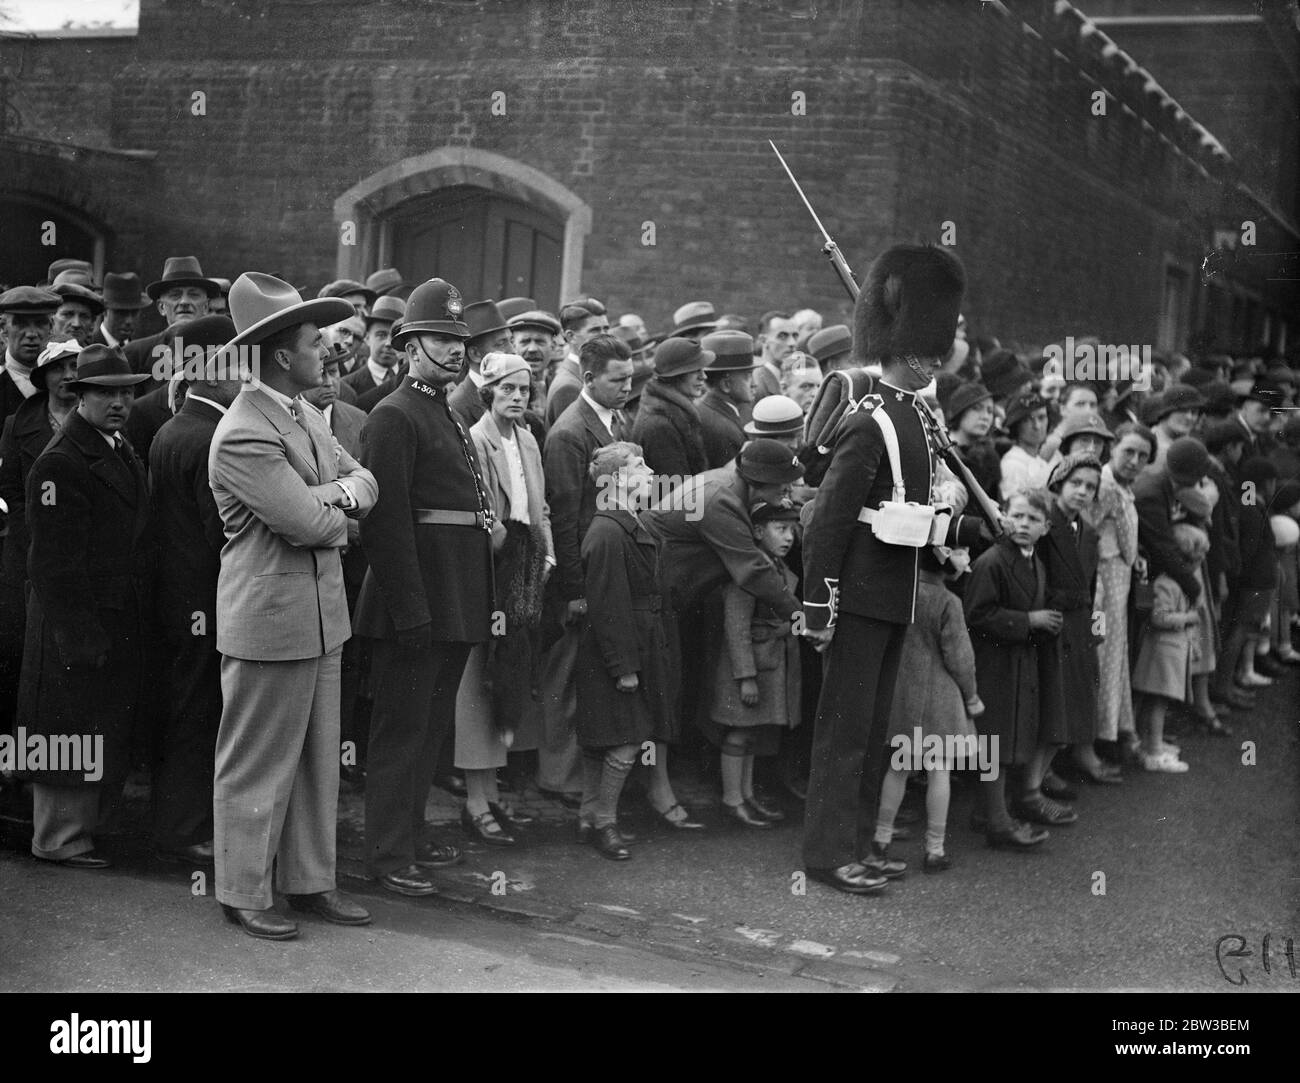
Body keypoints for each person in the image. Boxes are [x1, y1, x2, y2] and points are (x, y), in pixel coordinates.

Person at [799, 243, 982, 895]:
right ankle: (825, 853)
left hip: (895, 594)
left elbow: (911, 509)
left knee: (875, 732)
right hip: (857, 598)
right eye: (932, 349)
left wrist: (968, 528)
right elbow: (831, 520)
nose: (939, 358)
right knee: (844, 732)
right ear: (912, 351)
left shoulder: (909, 414)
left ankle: (857, 844)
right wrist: (819, 603)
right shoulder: (871, 419)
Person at [208, 273, 378, 940]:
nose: (328, 354)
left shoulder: (304, 414)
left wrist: (332, 496)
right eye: (316, 343)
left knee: (315, 762)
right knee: (256, 762)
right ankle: (243, 890)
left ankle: (309, 882)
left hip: (319, 618)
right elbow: (310, 526)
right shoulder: (245, 432)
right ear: (283, 354)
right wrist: (340, 506)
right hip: (270, 622)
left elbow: (367, 480)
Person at [354, 277, 493, 898]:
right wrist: (411, 610)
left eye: (459, 339)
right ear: (410, 344)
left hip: (452, 595)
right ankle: (386, 856)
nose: (455, 349)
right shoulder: (394, 414)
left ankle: (408, 835)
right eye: (441, 338)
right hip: (413, 603)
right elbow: (386, 525)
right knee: (401, 730)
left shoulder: (438, 408)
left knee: (429, 727)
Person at [18, 344, 155, 869]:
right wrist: (81, 636)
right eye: (106, 393)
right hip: (76, 622)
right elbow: (52, 565)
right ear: (81, 396)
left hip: (110, 616)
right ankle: (58, 839)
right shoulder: (62, 460)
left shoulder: (112, 445)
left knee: (90, 725)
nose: (119, 402)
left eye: (126, 392)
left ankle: (78, 835)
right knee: (68, 727)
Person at [148, 315, 241, 864]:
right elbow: (221, 533)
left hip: (180, 598)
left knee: (187, 706)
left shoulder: (174, 428)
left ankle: (178, 822)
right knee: (199, 710)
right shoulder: (210, 436)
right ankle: (185, 829)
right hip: (205, 599)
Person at [457, 353, 554, 845]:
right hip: (494, 575)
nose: (517, 398)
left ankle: (492, 793)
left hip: (526, 571)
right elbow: (482, 514)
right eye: (507, 390)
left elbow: (541, 509)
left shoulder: (530, 439)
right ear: (488, 392)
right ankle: (475, 801)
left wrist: (546, 557)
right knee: (483, 683)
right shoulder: (475, 440)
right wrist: (505, 552)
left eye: (524, 390)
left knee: (513, 679)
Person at [538, 333, 634, 806]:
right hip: (581, 575)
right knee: (566, 680)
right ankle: (557, 778)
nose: (627, 387)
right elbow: (563, 515)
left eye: (631, 377)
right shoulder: (570, 433)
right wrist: (574, 589)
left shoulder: (616, 419)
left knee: (588, 677)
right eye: (618, 380)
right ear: (590, 379)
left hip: (604, 569)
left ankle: (578, 776)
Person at [574, 443, 677, 860]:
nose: (651, 471)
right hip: (618, 648)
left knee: (609, 736)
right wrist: (623, 667)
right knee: (625, 739)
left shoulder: (627, 522)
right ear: (618, 479)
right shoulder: (608, 532)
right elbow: (607, 604)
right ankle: (604, 824)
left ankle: (589, 816)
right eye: (640, 466)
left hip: (637, 642)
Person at [875, 546, 984, 872]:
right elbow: (960, 659)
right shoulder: (949, 602)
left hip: (904, 694)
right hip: (940, 697)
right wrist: (972, 696)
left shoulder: (901, 594)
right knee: (939, 770)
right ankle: (934, 849)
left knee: (899, 768)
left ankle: (880, 839)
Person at [701, 499, 802, 829]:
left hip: (770, 663)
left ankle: (746, 796)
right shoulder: (750, 569)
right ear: (758, 531)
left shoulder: (781, 570)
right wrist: (745, 676)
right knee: (739, 732)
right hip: (749, 667)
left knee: (752, 733)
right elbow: (736, 624)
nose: (789, 537)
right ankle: (733, 800)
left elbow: (793, 616)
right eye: (781, 529)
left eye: (792, 530)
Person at [964, 489, 1055, 850]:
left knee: (1004, 739)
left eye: (1033, 519)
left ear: (1046, 527)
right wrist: (1028, 620)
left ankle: (985, 812)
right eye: (1017, 516)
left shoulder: (1035, 562)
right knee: (994, 743)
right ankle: (998, 823)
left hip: (1018, 662)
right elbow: (977, 615)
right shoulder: (992, 562)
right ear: (1004, 517)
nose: (1023, 524)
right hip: (993, 663)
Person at [0, 339, 81, 725]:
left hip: (84, 556)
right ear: (43, 377)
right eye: (58, 369)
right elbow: (11, 490)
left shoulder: (95, 418)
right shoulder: (18, 426)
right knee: (24, 648)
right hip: (30, 555)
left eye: (75, 368)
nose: (68, 376)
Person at [1035, 452, 1108, 810]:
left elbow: (1091, 587)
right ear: (1059, 484)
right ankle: (1031, 787)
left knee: (1073, 705)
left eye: (1090, 487)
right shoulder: (1045, 525)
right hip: (1051, 623)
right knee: (1052, 708)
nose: (1082, 492)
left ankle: (1039, 778)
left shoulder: (1089, 534)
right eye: (1076, 483)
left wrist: (1093, 625)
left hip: (1078, 627)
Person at [1082, 421, 1152, 764]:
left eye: (1143, 456)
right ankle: (1099, 736)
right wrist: (1129, 555)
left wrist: (1135, 558)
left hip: (1118, 578)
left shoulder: (1122, 487)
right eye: (1129, 451)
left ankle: (1115, 732)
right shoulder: (1106, 485)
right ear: (1113, 450)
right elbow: (1098, 537)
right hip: (1103, 581)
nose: (1135, 460)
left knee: (1114, 655)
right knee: (1104, 655)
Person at [1132, 522, 1207, 773]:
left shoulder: (1177, 583)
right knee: (1157, 702)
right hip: (1162, 652)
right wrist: (1187, 618)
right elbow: (1159, 617)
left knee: (1156, 701)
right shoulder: (1167, 584)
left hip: (1170, 651)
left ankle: (1150, 743)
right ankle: (1153, 752)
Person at [125, 256, 221, 391]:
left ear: (206, 307)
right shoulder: (136, 354)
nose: (184, 302)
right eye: (175, 295)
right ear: (161, 307)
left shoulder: (222, 353)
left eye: (193, 295)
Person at [632, 337, 710, 479]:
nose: (703, 376)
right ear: (675, 376)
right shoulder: (659, 426)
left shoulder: (673, 411)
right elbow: (675, 492)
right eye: (695, 370)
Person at [697, 330, 757, 469]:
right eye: (748, 376)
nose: (755, 383)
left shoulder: (710, 410)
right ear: (726, 384)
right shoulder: (721, 429)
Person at [448, 300, 513, 426]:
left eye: (511, 341)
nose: (512, 350)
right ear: (475, 354)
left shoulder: (513, 394)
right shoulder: (457, 407)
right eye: (501, 343)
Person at [547, 298, 610, 426]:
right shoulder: (569, 387)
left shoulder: (586, 374)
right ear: (571, 336)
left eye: (606, 329)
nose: (604, 336)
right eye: (595, 330)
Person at [0, 286, 59, 422]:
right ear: (3, 328)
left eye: (40, 324)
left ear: (51, 327)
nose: (31, 334)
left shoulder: (65, 380)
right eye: (21, 324)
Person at [342, 295, 405, 406]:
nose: (388, 343)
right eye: (381, 335)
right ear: (366, 338)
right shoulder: (346, 385)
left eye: (395, 335)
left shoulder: (412, 381)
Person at [999, 391, 1051, 502]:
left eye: (1041, 418)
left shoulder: (1042, 463)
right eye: (1028, 420)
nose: (1037, 426)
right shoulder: (1012, 464)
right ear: (1017, 425)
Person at [91, 273, 151, 350]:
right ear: (104, 311)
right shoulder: (88, 348)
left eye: (134, 313)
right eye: (121, 313)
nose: (129, 321)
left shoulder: (142, 351)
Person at [753, 311, 799, 401]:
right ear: (763, 340)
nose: (792, 343)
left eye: (795, 336)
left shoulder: (792, 378)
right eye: (782, 336)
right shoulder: (756, 383)